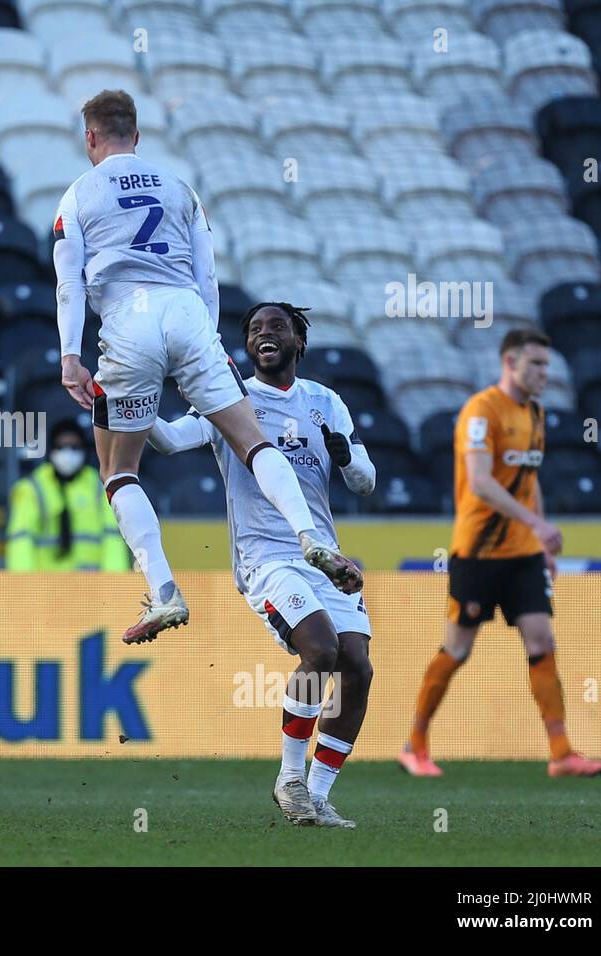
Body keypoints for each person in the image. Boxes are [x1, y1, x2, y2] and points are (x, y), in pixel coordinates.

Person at [52, 88, 361, 644]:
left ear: (90, 137)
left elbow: (68, 283)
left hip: (128, 318)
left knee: (119, 472)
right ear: (138, 137)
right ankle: (311, 537)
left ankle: (164, 590)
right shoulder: (180, 189)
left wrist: (71, 356)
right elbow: (208, 274)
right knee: (253, 441)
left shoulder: (76, 196)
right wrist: (211, 343)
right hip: (188, 313)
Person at [149, 303, 376, 827]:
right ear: (247, 346)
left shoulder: (326, 402)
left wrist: (345, 456)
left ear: (299, 342)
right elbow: (166, 440)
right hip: (266, 557)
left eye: (277, 327)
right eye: (254, 330)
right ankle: (289, 779)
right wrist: (122, 396)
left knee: (357, 668)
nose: (264, 334)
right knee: (321, 649)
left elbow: (365, 481)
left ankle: (318, 795)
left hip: (324, 556)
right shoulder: (229, 401)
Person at [398, 328, 601, 779]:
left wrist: (539, 539)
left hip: (523, 556)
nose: (544, 374)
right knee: (458, 647)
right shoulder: (481, 410)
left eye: (547, 366)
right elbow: (480, 482)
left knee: (542, 640)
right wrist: (536, 524)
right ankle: (414, 744)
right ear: (510, 363)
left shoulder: (535, 413)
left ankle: (562, 753)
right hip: (477, 551)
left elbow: (528, 483)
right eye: (536, 364)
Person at [6, 418, 130, 572]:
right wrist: (24, 589)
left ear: (84, 450)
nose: (67, 453)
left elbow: (112, 538)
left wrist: (114, 587)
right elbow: (21, 541)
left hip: (92, 588)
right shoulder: (31, 489)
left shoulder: (100, 487)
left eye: (74, 447)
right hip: (46, 589)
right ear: (50, 450)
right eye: (60, 447)